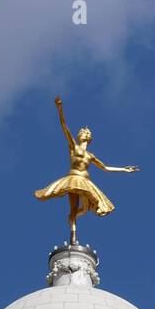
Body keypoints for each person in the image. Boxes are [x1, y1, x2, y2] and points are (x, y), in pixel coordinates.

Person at [35, 96, 139, 245]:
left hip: (85, 182)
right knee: (73, 209)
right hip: (73, 179)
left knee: (84, 209)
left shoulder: (90, 155)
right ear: (79, 136)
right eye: (83, 133)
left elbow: (105, 168)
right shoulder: (73, 147)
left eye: (87, 134)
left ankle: (75, 217)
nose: (84, 134)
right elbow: (64, 127)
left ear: (89, 139)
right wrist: (59, 109)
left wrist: (124, 169)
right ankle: (73, 231)